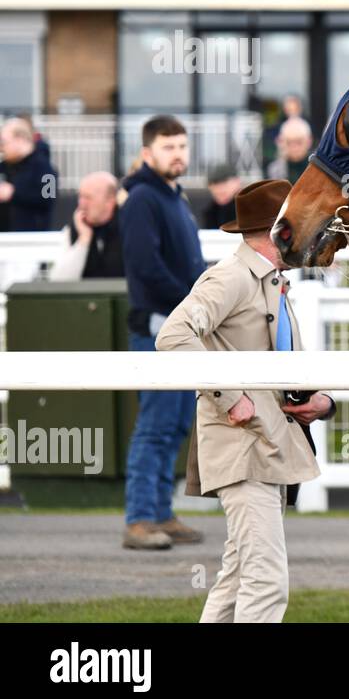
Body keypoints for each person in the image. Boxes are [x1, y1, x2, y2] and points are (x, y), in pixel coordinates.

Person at [157, 180, 336, 622]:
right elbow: (174, 336)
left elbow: (283, 361)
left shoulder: (272, 281)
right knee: (266, 580)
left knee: (239, 576)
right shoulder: (231, 277)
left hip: (269, 445)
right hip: (243, 446)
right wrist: (229, 396)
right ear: (279, 231)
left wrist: (320, 401)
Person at [119, 116, 207, 551]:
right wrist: (193, 304)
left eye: (181, 146)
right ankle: (139, 519)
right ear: (148, 152)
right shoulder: (141, 200)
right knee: (154, 427)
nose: (177, 154)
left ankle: (161, 513)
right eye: (168, 147)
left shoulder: (175, 197)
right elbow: (146, 269)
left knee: (174, 427)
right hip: (156, 331)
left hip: (179, 331)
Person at [48, 171, 123, 281]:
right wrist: (83, 240)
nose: (81, 204)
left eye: (88, 198)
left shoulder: (128, 228)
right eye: (80, 197)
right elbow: (59, 281)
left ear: (110, 201)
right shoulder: (75, 228)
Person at [0, 117, 57, 231]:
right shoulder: (4, 166)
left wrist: (13, 194)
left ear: (20, 139)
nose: (1, 148)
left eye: (3, 142)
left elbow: (49, 198)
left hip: (31, 240)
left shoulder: (46, 168)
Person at [266, 117, 313, 185]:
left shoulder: (318, 169)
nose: (294, 148)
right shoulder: (274, 171)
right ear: (281, 142)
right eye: (289, 142)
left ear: (309, 141)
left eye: (299, 142)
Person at [204, 163, 240, 229]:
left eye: (224, 182)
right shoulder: (210, 212)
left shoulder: (248, 210)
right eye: (215, 183)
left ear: (237, 182)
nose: (220, 188)